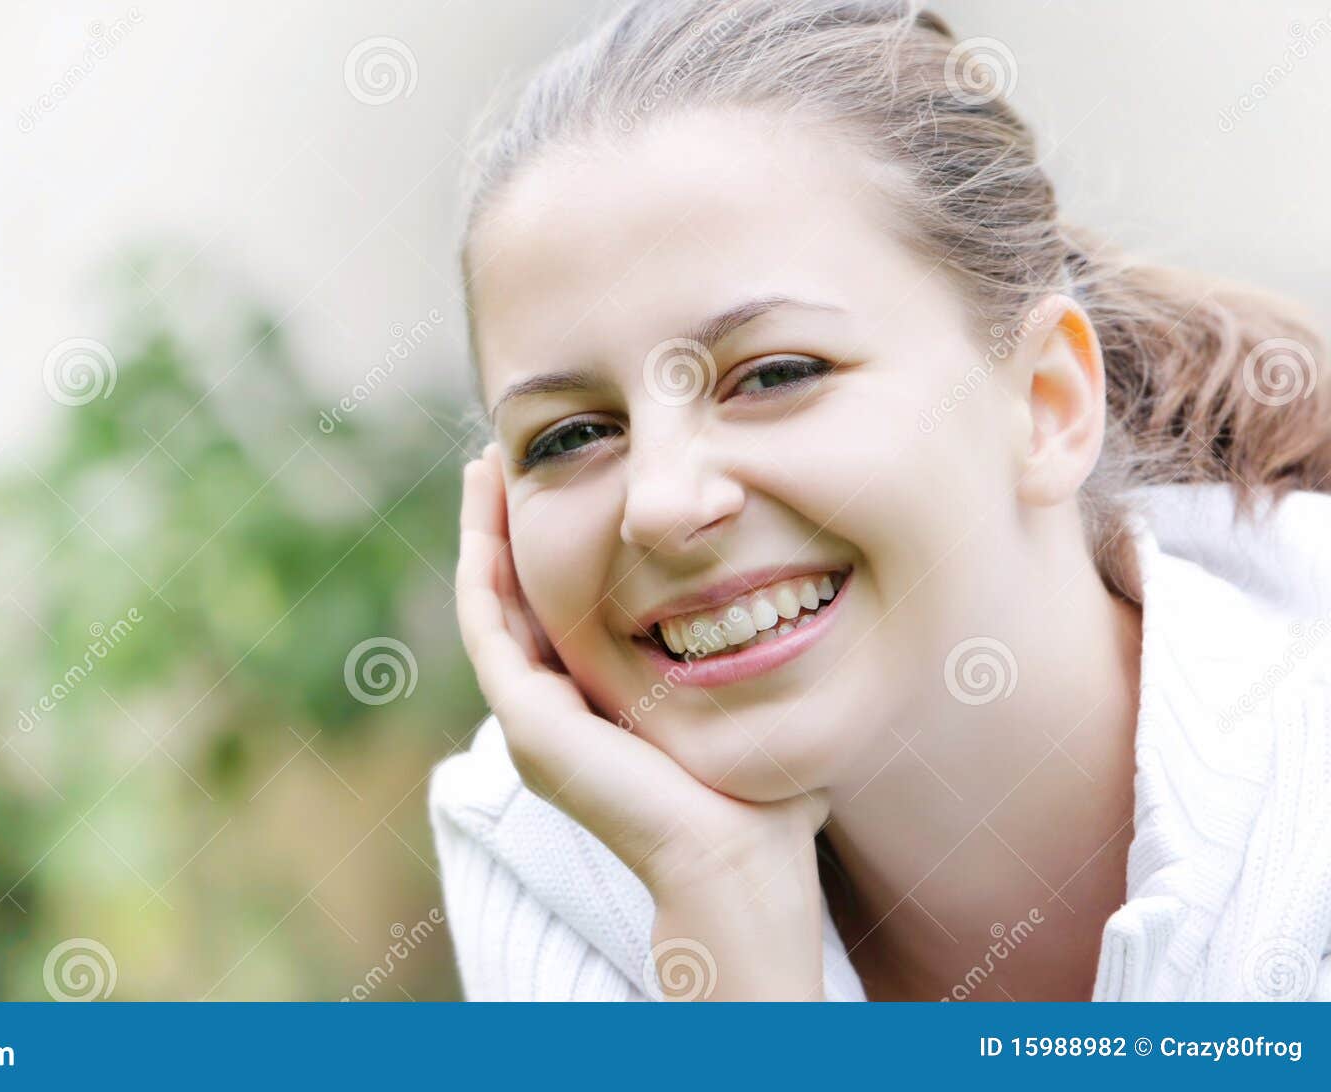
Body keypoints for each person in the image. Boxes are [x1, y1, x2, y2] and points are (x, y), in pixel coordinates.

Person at [429, 0, 1331, 1001]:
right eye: (572, 435)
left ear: (1044, 403)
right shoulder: (551, 843)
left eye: (772, 374)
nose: (662, 505)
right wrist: (721, 905)